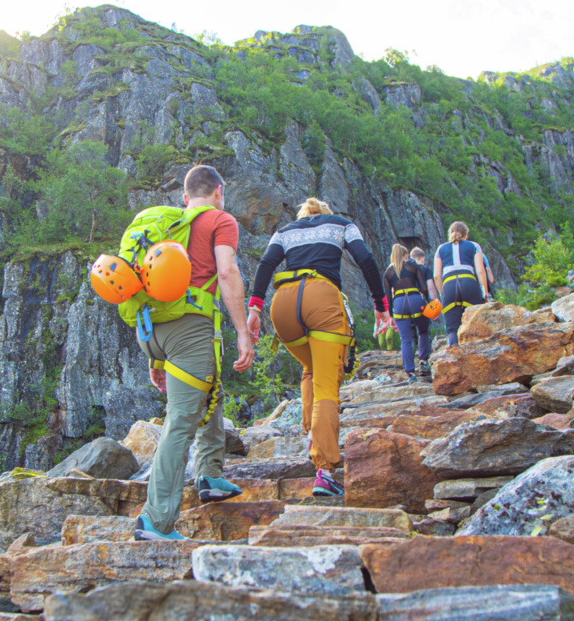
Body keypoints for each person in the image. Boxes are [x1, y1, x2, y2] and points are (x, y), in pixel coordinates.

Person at [135, 164, 255, 540]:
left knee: (208, 383)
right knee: (181, 420)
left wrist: (155, 357)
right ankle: (155, 520)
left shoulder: (169, 224)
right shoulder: (221, 220)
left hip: (152, 328)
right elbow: (227, 272)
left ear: (185, 198)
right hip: (189, 327)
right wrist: (243, 331)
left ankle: (211, 475)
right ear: (219, 191)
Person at [247, 198, 391, 497]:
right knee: (327, 384)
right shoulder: (341, 224)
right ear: (325, 213)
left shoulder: (285, 231)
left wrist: (254, 308)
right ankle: (324, 471)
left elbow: (266, 264)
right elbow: (365, 259)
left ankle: (314, 438)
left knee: (311, 368)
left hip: (283, 304)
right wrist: (381, 304)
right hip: (322, 299)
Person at [432, 221, 490, 346]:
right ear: (466, 234)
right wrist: (485, 294)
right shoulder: (474, 246)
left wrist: (443, 294)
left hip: (449, 285)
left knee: (452, 329)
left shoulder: (441, 249)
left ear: (450, 233)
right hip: (469, 283)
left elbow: (436, 275)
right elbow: (480, 271)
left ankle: (454, 358)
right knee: (475, 326)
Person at [383, 243, 436, 380]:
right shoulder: (413, 266)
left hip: (399, 303)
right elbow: (424, 288)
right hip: (415, 298)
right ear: (405, 255)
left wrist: (390, 316)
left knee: (405, 339)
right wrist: (427, 301)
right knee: (423, 331)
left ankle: (410, 373)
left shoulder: (388, 273)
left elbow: (388, 296)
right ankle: (423, 363)